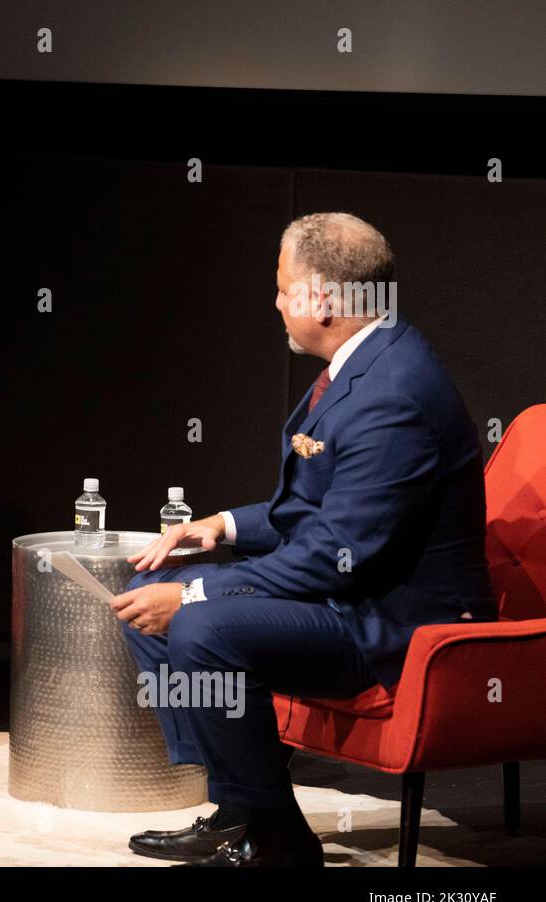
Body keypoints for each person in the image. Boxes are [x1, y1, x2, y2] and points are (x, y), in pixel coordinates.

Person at [111, 212, 496, 866]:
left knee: (199, 626)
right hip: (350, 590)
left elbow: (335, 553)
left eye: (284, 289)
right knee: (147, 596)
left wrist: (197, 593)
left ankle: (279, 839)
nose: (277, 303)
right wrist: (221, 527)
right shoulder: (367, 359)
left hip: (393, 622)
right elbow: (317, 510)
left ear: (322, 300)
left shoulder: (394, 393)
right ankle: (239, 807)